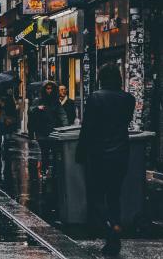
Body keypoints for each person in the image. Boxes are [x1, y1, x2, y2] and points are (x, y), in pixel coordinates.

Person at [77, 64, 135, 256]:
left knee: (96, 196)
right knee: (114, 195)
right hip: (121, 153)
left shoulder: (96, 97)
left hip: (99, 154)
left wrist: (81, 151)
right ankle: (115, 229)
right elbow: (124, 122)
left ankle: (111, 227)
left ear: (101, 77)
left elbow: (88, 128)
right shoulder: (129, 99)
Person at [29, 80, 67, 179]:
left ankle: (53, 172)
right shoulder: (38, 100)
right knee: (44, 152)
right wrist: (38, 108)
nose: (49, 90)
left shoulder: (55, 102)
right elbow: (31, 110)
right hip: (41, 130)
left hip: (52, 130)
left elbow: (62, 114)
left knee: (54, 152)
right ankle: (44, 170)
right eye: (47, 88)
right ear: (44, 89)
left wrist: (65, 126)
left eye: (51, 88)